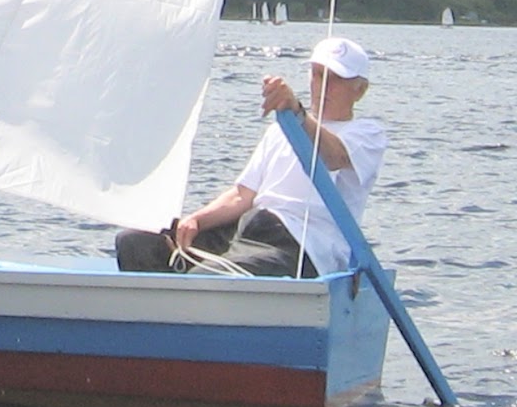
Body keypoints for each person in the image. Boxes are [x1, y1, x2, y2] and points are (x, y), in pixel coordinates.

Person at [115, 37, 387, 277]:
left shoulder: (366, 134)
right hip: (250, 228)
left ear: (359, 91)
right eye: (317, 75)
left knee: (208, 278)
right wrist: (196, 220)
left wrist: (297, 112)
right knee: (135, 243)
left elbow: (334, 157)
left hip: (303, 246)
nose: (323, 86)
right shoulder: (281, 130)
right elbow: (241, 195)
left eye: (336, 79)